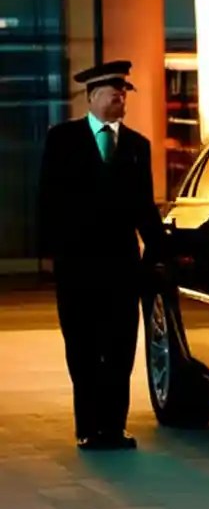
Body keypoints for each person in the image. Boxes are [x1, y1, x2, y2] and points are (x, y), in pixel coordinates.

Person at [37, 60, 168, 450]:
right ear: (92, 97)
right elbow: (48, 198)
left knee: (119, 347)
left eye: (124, 92)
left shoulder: (137, 146)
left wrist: (160, 250)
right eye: (113, 92)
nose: (120, 98)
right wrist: (52, 253)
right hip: (77, 265)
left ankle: (113, 427)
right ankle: (88, 427)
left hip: (121, 266)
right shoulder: (63, 140)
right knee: (82, 346)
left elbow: (144, 206)